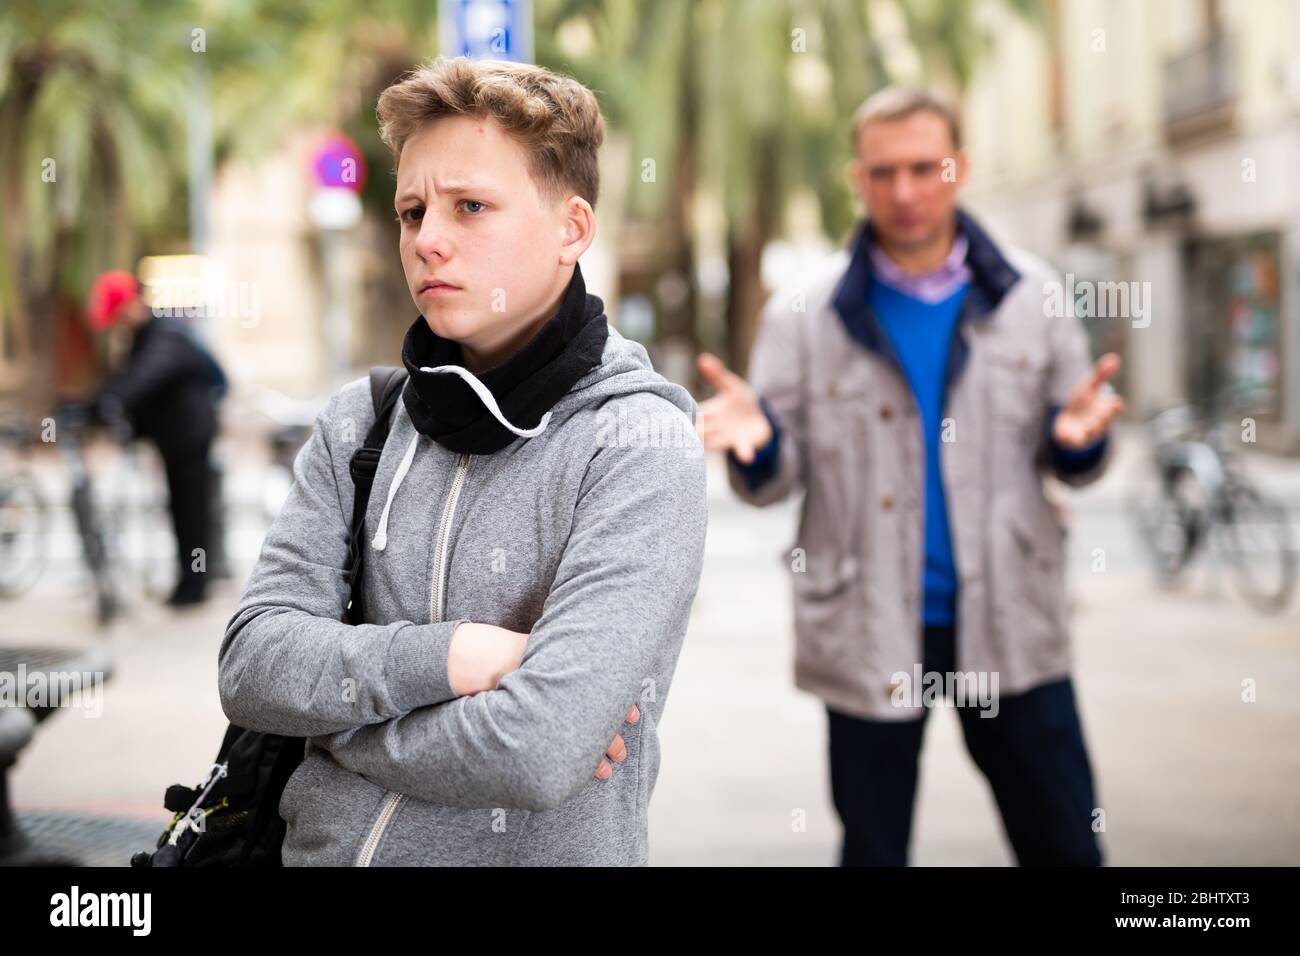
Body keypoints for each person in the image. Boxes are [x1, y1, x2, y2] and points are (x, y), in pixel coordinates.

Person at [218, 57, 708, 866]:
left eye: (470, 206)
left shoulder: (639, 443)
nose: (427, 240)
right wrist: (453, 658)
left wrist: (331, 729)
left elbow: (538, 748)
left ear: (572, 230)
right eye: (412, 211)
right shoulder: (360, 422)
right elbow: (254, 666)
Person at [697, 87, 1124, 866]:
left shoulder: (1032, 296)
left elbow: (1079, 450)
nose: (904, 191)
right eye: (884, 171)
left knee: (1064, 841)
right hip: (866, 625)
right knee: (873, 848)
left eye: (924, 167)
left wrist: (1077, 444)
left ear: (957, 168)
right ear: (858, 179)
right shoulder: (805, 313)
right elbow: (773, 480)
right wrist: (757, 448)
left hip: (1012, 620)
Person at [86, 270, 227, 607]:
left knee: (192, 513)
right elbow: (128, 380)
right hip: (174, 438)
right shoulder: (146, 336)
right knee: (180, 509)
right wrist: (95, 403)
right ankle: (187, 582)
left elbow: (144, 378)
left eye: (120, 316)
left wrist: (112, 402)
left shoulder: (165, 334)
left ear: (133, 304)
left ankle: (195, 586)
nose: (120, 324)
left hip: (190, 438)